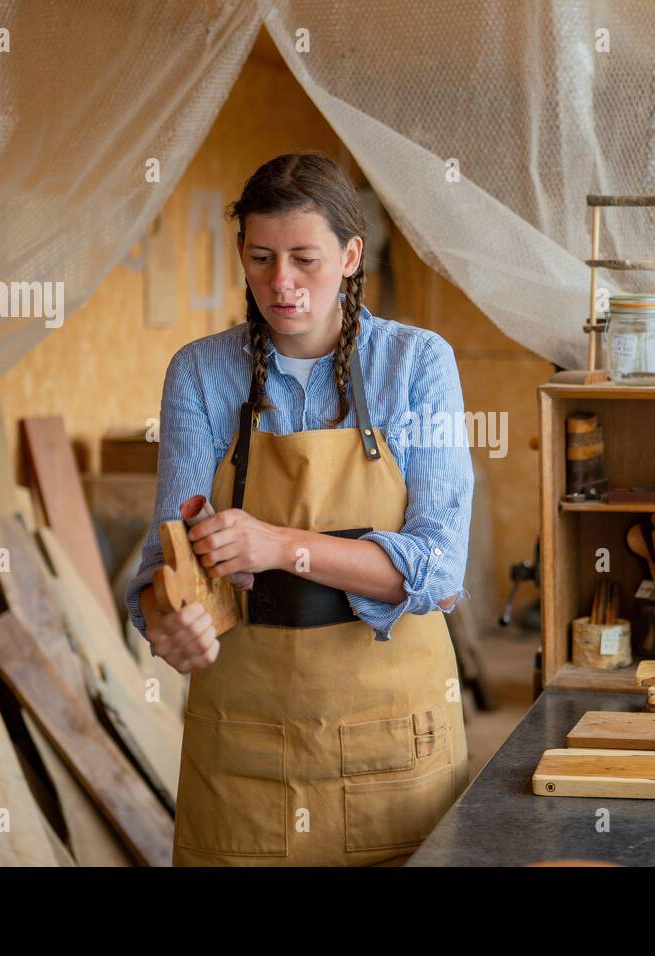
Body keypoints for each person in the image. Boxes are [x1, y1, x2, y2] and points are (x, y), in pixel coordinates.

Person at [125, 151, 472, 866]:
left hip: (390, 740)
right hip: (248, 748)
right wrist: (170, 620)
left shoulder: (416, 364)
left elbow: (438, 570)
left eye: (305, 260)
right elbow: (164, 565)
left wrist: (281, 547)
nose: (280, 284)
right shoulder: (200, 372)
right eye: (260, 259)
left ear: (350, 256)